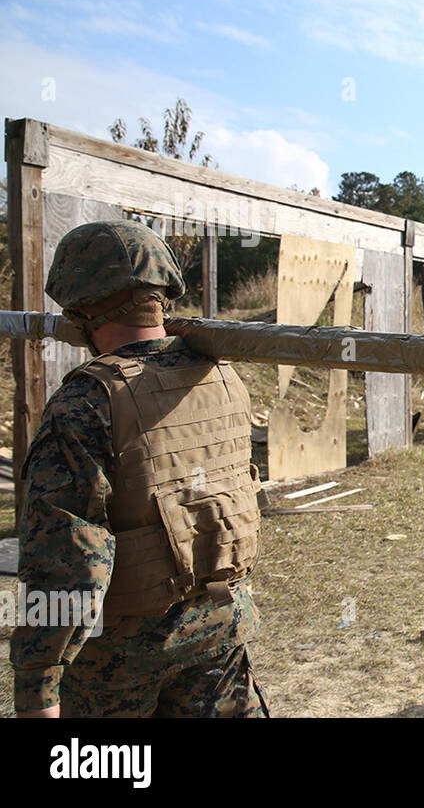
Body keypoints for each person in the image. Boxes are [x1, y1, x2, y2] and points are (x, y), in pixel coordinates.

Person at [10, 219, 267, 718]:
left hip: (121, 657)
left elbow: (66, 558)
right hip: (221, 624)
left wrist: (37, 686)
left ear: (81, 308)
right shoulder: (223, 375)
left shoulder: (87, 400)